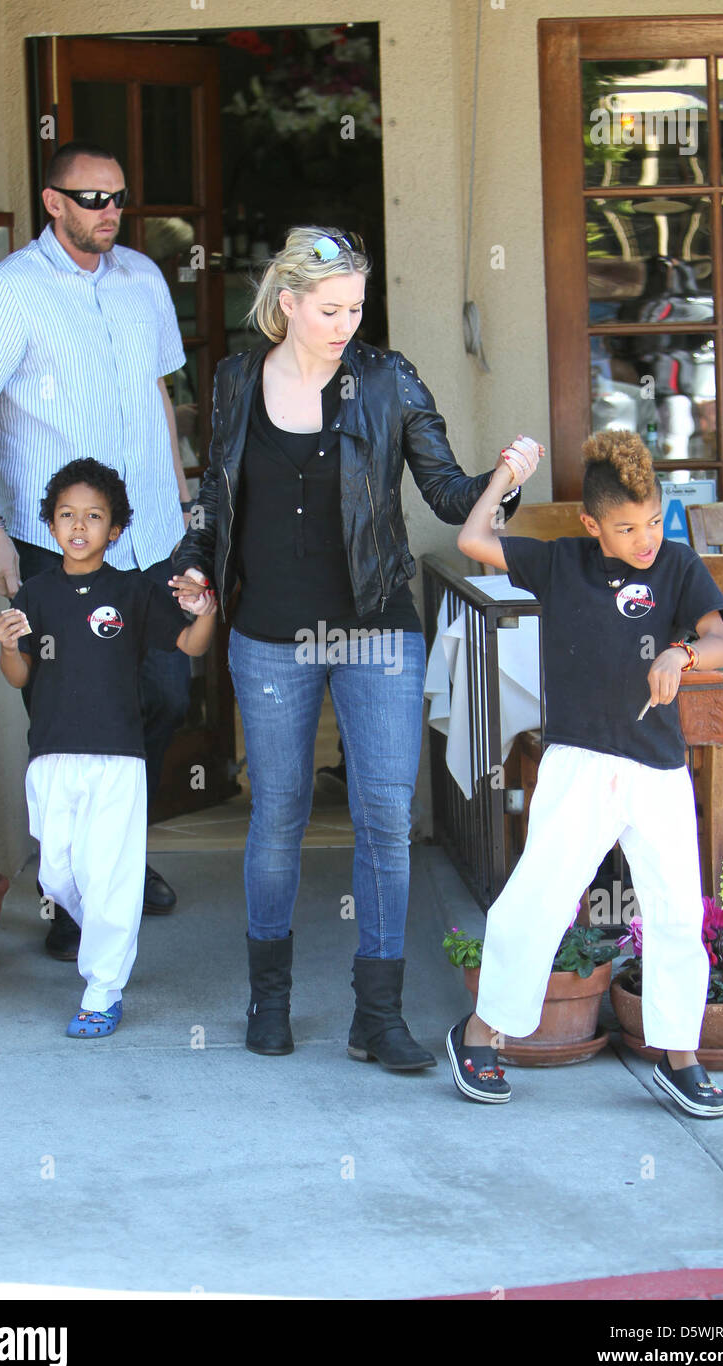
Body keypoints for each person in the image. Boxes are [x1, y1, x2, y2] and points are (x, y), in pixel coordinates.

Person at [170, 224, 533, 1070]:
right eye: (329, 308)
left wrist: (503, 483)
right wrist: (194, 567)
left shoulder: (387, 379)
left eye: (356, 307)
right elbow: (212, 503)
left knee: (383, 819)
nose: (345, 323)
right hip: (267, 635)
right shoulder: (234, 382)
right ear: (287, 303)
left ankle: (378, 1015)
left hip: (375, 629)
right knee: (277, 819)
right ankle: (271, 999)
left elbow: (447, 494)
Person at [445, 429, 723, 1118]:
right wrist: (506, 476)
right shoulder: (561, 564)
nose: (645, 538)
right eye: (626, 526)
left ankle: (679, 1056)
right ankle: (481, 1033)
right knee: (540, 898)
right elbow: (472, 539)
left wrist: (684, 656)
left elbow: (720, 639)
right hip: (579, 763)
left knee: (673, 912)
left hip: (658, 769)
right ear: (590, 524)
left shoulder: (679, 565)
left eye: (654, 519)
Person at [0, 140, 193, 952]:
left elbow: (158, 392)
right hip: (56, 548)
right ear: (53, 202)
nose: (110, 212)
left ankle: (112, 858)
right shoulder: (9, 291)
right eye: (91, 198)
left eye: (119, 196)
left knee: (164, 696)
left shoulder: (144, 279)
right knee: (66, 721)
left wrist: (182, 502)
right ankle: (72, 896)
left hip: (148, 534)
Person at [0, 459, 216, 1037]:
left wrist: (204, 611)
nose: (79, 525)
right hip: (51, 754)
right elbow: (18, 677)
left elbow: (190, 644)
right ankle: (102, 934)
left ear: (114, 530)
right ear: (49, 524)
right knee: (60, 873)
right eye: (67, 514)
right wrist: (9, 647)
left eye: (94, 516)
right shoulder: (34, 593)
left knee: (111, 875)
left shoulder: (133, 590)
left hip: (118, 757)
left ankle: (102, 990)